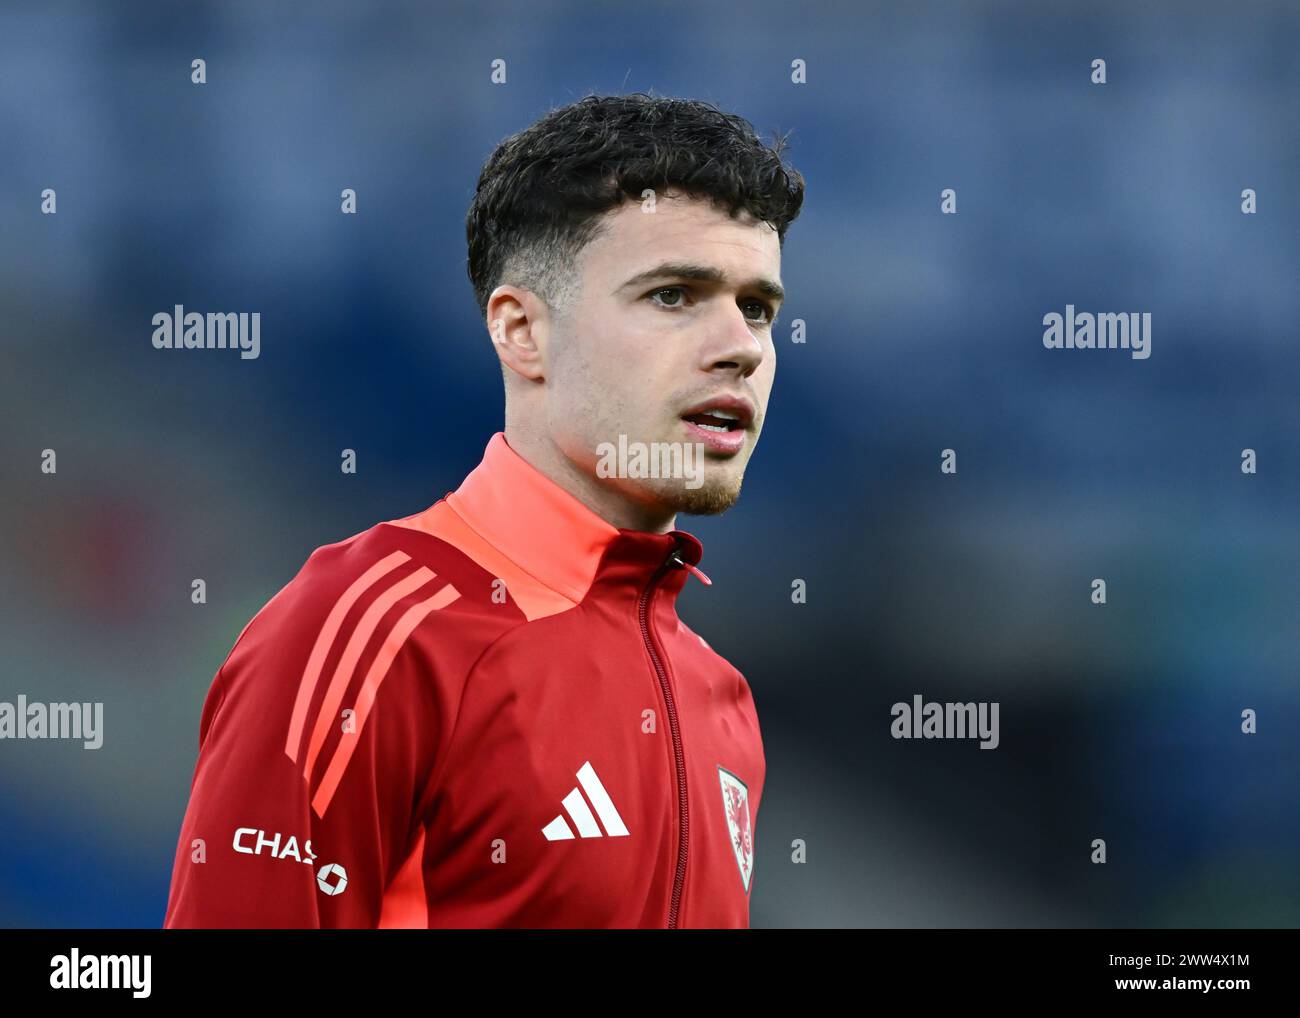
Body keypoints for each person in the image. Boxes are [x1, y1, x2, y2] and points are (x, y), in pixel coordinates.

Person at [164, 92, 804, 928]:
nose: (742, 347)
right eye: (675, 295)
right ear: (521, 332)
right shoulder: (368, 630)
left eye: (757, 308)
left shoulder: (718, 694)